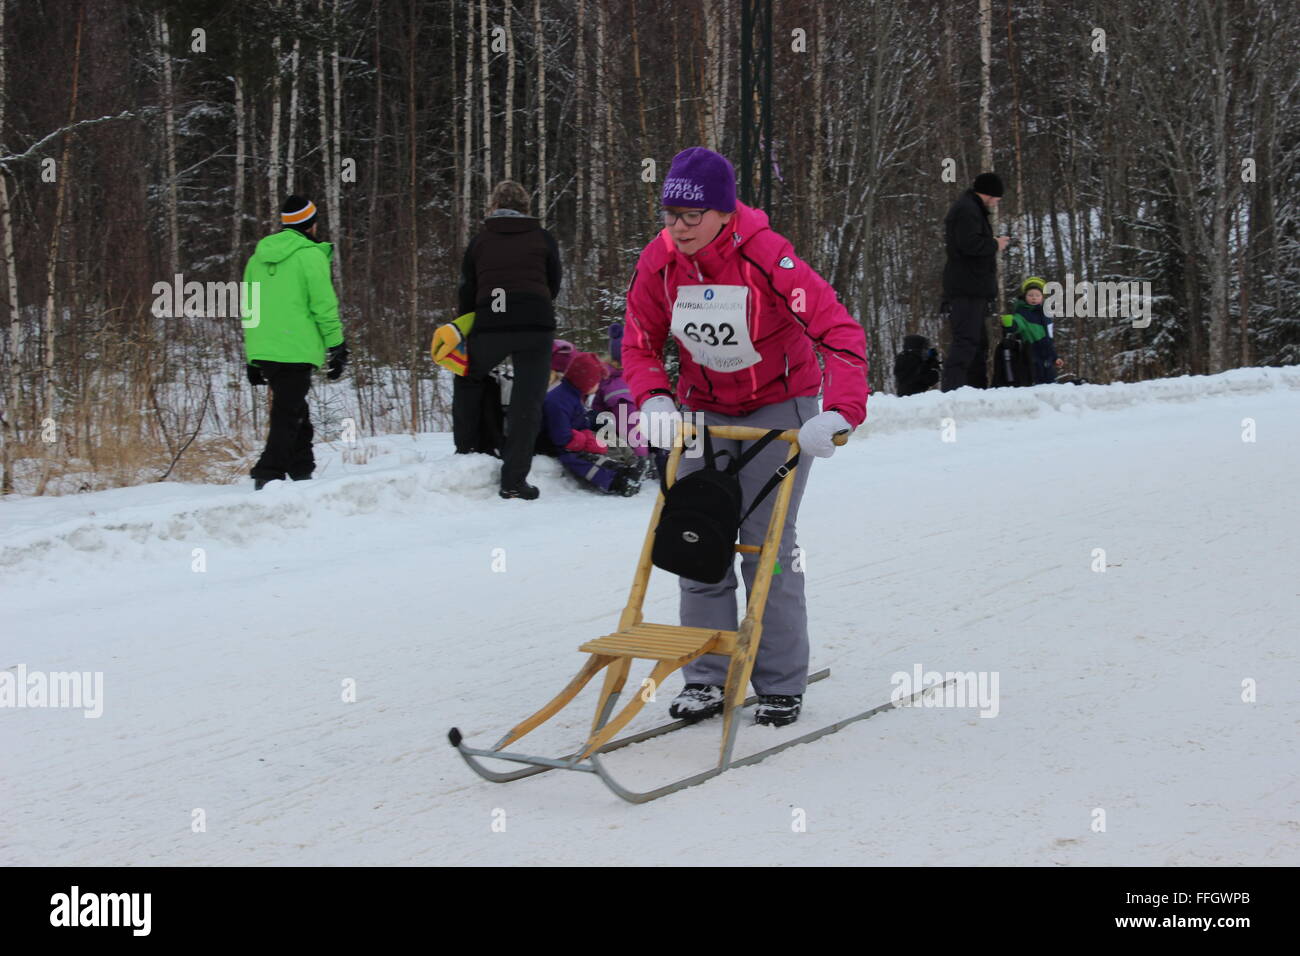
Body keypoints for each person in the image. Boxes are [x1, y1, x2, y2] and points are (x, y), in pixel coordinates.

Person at [621, 146, 869, 728]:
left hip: (780, 409)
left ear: (724, 213)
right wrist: (653, 396)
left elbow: (839, 331)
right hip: (703, 410)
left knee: (768, 547)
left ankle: (781, 682)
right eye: (668, 215)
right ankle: (707, 677)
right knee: (696, 536)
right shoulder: (659, 264)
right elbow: (637, 341)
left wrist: (839, 414)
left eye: (691, 217)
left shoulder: (766, 256)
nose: (677, 229)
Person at [454, 180, 562, 499]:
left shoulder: (480, 242)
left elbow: (467, 290)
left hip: (491, 323)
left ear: (492, 206)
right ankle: (514, 481)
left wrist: (467, 325)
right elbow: (553, 283)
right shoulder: (543, 239)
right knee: (526, 401)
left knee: (468, 377)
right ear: (526, 208)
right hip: (536, 325)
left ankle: (468, 452)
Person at [242, 194, 347, 490]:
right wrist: (337, 345)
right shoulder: (310, 255)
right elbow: (323, 306)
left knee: (294, 407)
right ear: (311, 224)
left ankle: (302, 468)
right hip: (296, 348)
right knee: (287, 412)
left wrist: (252, 356)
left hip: (266, 347)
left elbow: (250, 308)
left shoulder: (256, 259)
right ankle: (269, 471)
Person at [940, 172, 1011, 391]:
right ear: (989, 193)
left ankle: (975, 390)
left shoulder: (971, 208)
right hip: (967, 288)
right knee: (966, 342)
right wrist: (994, 244)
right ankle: (952, 391)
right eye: (997, 197)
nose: (997, 202)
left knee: (978, 343)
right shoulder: (967, 210)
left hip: (973, 287)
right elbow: (969, 245)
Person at [537, 352, 642, 496]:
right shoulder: (558, 401)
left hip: (578, 434)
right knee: (581, 457)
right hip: (558, 445)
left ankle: (632, 462)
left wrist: (592, 426)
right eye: (596, 382)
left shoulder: (573, 394)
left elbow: (580, 418)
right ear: (585, 381)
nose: (598, 386)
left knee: (607, 436)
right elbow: (561, 437)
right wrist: (586, 441)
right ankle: (617, 479)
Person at [591, 322, 651, 465]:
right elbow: (629, 428)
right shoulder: (619, 389)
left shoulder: (611, 376)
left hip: (612, 433)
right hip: (620, 443)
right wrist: (643, 458)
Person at [1004, 276, 1062, 385]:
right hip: (1032, 353)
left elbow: (1049, 339)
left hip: (1047, 356)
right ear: (1025, 296)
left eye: (1037, 295)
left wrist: (1055, 357)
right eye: (1030, 295)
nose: (1034, 298)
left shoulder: (1046, 314)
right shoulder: (1022, 313)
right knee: (1035, 380)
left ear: (1042, 297)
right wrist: (1010, 324)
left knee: (1051, 383)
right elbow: (1017, 324)